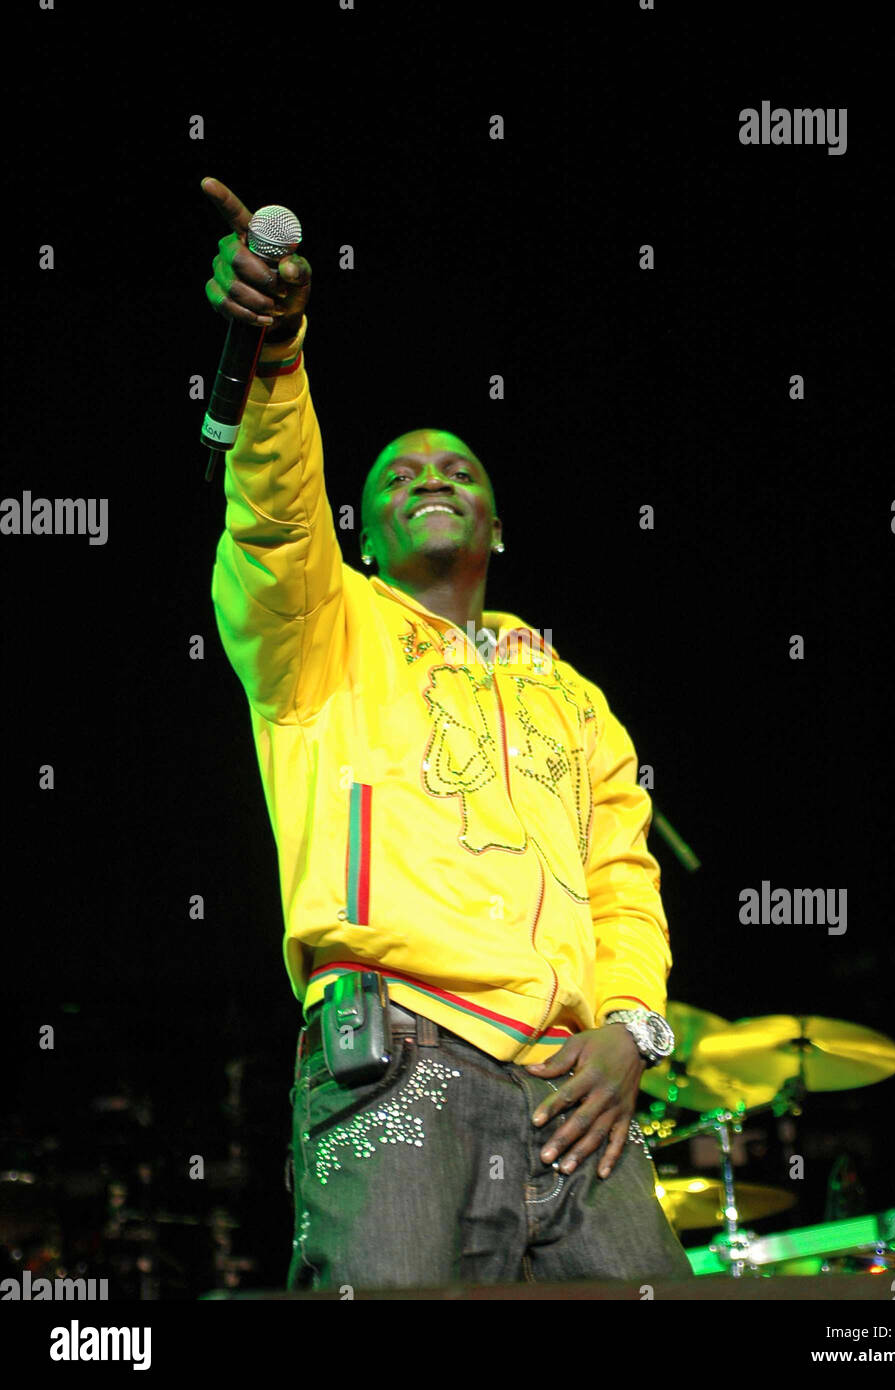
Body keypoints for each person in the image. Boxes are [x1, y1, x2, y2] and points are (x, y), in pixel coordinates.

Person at [202, 176, 691, 1291]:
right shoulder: (320, 625)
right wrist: (276, 359)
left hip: (579, 1090)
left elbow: (624, 876)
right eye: (401, 475)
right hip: (401, 1061)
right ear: (363, 529)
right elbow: (275, 509)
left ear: (498, 524)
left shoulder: (575, 694)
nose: (433, 480)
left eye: (459, 471)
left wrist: (634, 1032)